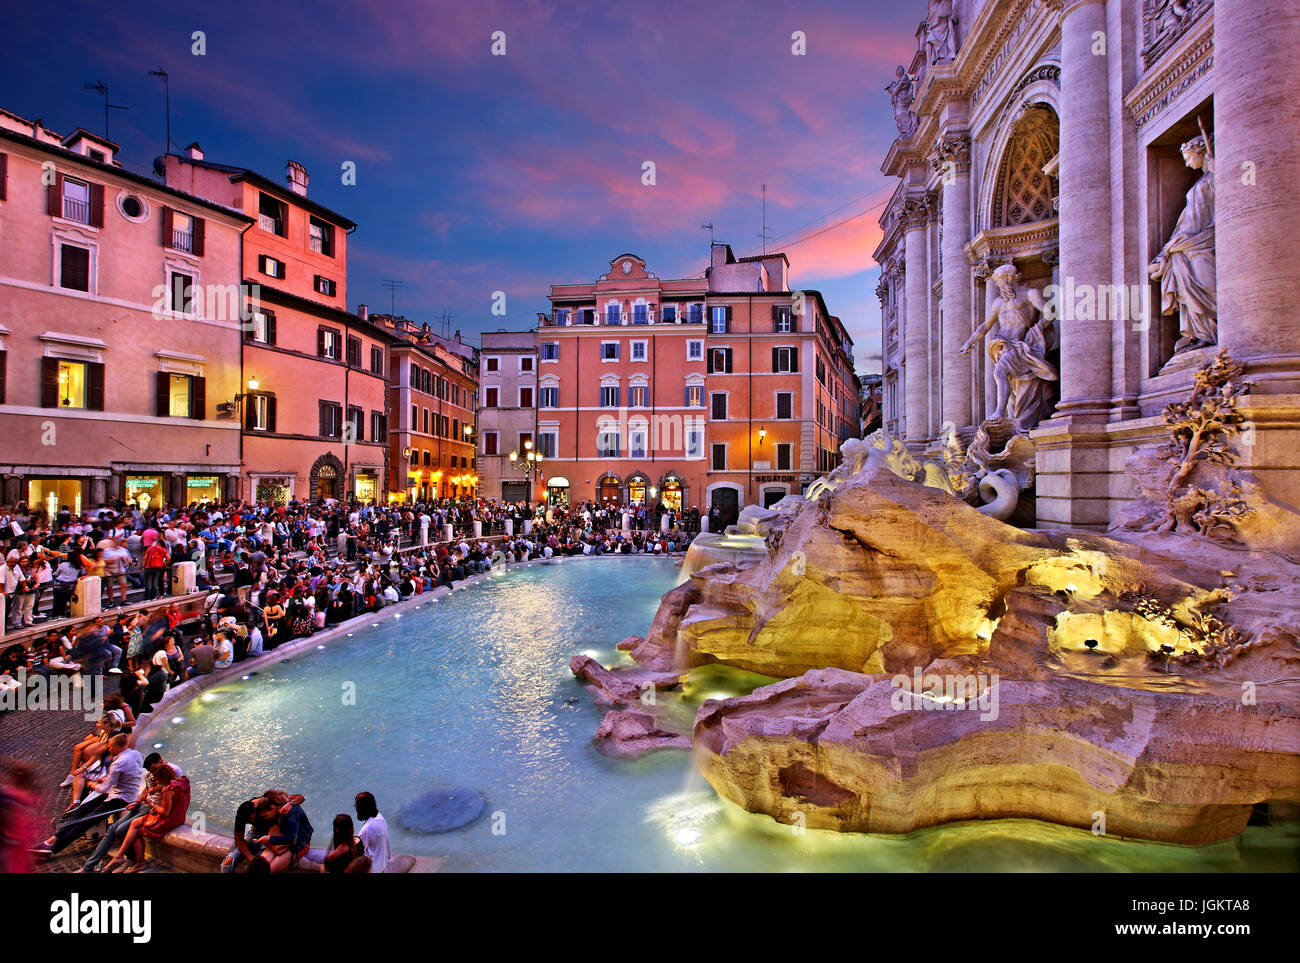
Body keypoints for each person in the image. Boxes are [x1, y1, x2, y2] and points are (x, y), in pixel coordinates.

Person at [32, 734, 143, 857]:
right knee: (82, 810)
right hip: (117, 793)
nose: (109, 749)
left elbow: (104, 788)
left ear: (117, 746)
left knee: (85, 821)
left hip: (120, 798)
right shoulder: (136, 754)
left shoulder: (118, 763)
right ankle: (52, 840)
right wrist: (108, 779)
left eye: (111, 747)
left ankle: (53, 848)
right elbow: (130, 775)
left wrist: (91, 784)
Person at [354, 791, 390, 873]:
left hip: (372, 869)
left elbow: (359, 852)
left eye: (356, 806)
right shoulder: (380, 818)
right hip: (383, 864)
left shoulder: (366, 829)